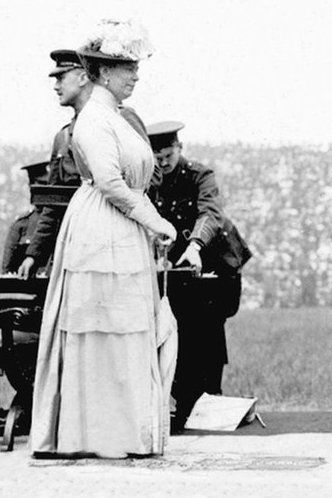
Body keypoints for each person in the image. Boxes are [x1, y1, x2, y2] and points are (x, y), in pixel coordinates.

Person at [30, 19, 177, 457]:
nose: (135, 75)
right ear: (104, 72)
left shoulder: (113, 116)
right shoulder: (94, 117)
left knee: (122, 324)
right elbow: (111, 183)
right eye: (127, 68)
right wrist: (155, 221)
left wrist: (146, 223)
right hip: (103, 225)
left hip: (120, 227)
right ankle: (94, 433)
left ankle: (121, 429)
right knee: (103, 326)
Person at [146, 120, 252, 430]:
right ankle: (187, 400)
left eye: (168, 156)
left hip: (217, 260)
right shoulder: (150, 180)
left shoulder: (200, 175)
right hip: (181, 266)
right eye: (158, 158)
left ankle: (209, 398)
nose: (163, 164)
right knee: (180, 327)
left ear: (179, 149)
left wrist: (195, 245)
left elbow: (210, 213)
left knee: (208, 329)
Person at [17, 49, 149, 278]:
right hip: (74, 244)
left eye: (61, 78)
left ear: (82, 77)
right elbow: (52, 202)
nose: (56, 86)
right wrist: (33, 255)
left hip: (116, 241)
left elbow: (150, 179)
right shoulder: (63, 137)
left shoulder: (122, 119)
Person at [2, 162, 51, 274]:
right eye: (37, 186)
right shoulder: (21, 224)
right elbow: (7, 272)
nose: (40, 191)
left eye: (45, 185)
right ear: (30, 187)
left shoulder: (62, 222)